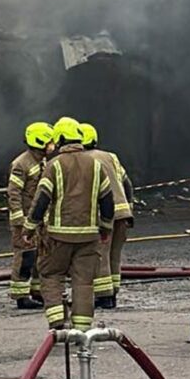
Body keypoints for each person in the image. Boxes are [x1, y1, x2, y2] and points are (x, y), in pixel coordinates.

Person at [24, 116, 114, 332]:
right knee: (84, 282)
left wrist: (29, 227)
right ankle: (82, 330)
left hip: (58, 236)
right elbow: (107, 200)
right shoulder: (96, 164)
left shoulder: (54, 165)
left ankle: (58, 325)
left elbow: (42, 199)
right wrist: (106, 227)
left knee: (51, 276)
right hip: (89, 236)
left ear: (61, 138)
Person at [80, 122, 134, 310]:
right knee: (115, 255)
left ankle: (104, 297)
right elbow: (127, 184)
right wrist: (129, 208)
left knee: (100, 255)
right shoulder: (111, 156)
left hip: (105, 214)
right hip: (123, 213)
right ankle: (113, 292)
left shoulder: (83, 160)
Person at [7, 122, 53, 309]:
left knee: (40, 256)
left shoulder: (40, 161)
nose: (52, 145)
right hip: (25, 219)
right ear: (39, 141)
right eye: (49, 141)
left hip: (38, 219)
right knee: (25, 257)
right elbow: (13, 192)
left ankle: (37, 291)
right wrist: (19, 220)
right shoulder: (21, 164)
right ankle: (21, 296)